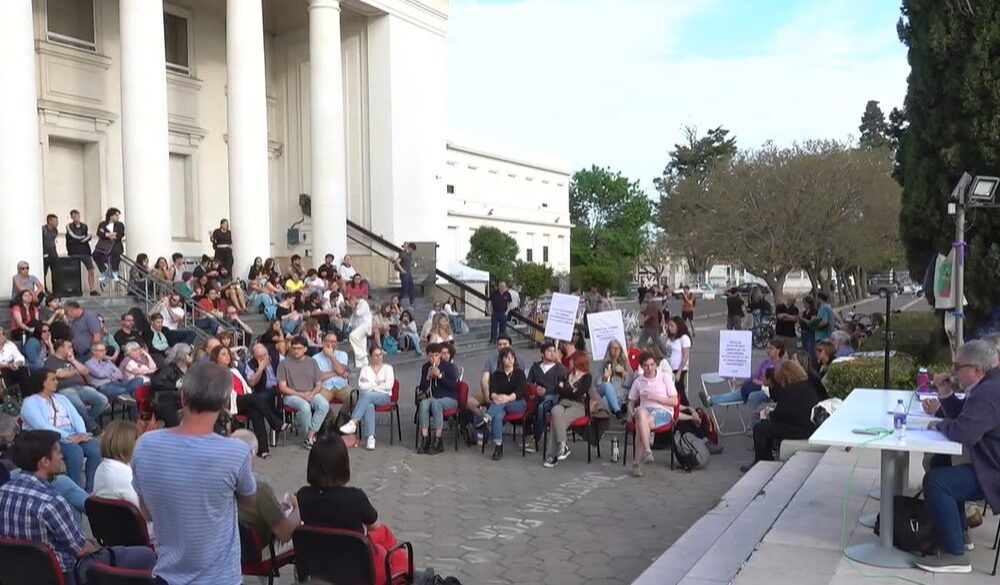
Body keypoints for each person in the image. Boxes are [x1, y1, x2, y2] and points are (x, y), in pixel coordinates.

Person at [133, 361, 256, 585]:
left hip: (166, 576)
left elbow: (148, 512)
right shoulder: (236, 451)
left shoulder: (144, 445)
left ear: (183, 398)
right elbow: (249, 504)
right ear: (224, 402)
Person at [0, 430, 156, 584]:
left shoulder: (3, 492)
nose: (61, 457)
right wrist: (97, 548)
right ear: (44, 462)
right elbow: (82, 550)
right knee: (146, 554)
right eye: (58, 453)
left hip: (16, 573)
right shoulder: (52, 502)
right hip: (65, 574)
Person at [912, 341, 1000, 573]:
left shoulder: (989, 392)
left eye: (958, 366)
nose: (953, 371)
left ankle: (955, 554)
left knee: (936, 482)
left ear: (976, 370)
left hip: (994, 471)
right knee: (940, 462)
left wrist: (940, 425)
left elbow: (964, 432)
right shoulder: (989, 385)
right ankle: (959, 532)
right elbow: (965, 416)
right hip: (990, 462)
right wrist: (946, 393)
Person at [297, 434, 409, 584]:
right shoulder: (355, 497)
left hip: (319, 565)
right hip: (357, 568)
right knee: (384, 538)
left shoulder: (302, 496)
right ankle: (402, 566)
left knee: (380, 538)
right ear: (343, 465)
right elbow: (374, 526)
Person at [20, 369, 103, 492]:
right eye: (53, 379)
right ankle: (76, 490)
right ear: (42, 382)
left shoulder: (61, 398)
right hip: (48, 437)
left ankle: (90, 489)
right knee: (76, 452)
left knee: (95, 448)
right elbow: (42, 425)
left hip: (73, 432)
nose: (57, 382)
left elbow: (76, 417)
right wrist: (68, 437)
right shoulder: (30, 403)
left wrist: (81, 433)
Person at [741, 360, 820, 472]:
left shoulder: (789, 390)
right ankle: (766, 458)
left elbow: (781, 414)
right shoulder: (807, 386)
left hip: (799, 429)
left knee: (760, 429)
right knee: (767, 427)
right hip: (808, 426)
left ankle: (761, 460)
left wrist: (767, 414)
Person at [232, 430, 300, 553]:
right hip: (253, 554)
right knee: (302, 535)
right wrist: (297, 508)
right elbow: (285, 534)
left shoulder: (215, 485)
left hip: (222, 552)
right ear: (251, 455)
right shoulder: (259, 489)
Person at [211, 346, 286, 459]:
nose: (227, 356)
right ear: (216, 358)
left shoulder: (234, 370)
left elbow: (245, 386)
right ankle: (276, 423)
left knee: (256, 412)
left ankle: (263, 450)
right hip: (228, 402)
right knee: (255, 398)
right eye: (223, 354)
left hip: (242, 400)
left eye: (227, 353)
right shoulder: (215, 372)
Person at [627, 351, 679, 477]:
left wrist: (655, 397)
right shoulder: (639, 381)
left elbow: (674, 401)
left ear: (656, 364)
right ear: (641, 366)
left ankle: (637, 463)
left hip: (663, 411)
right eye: (646, 365)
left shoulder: (664, 378)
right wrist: (630, 412)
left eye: (652, 365)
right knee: (639, 413)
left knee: (640, 424)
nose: (649, 368)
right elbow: (631, 401)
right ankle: (647, 450)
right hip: (644, 412)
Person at [703, 339, 787, 411]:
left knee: (753, 396)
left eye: (771, 348)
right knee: (738, 393)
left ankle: (755, 420)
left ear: (778, 350)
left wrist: (762, 383)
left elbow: (779, 383)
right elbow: (754, 375)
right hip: (755, 387)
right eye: (767, 348)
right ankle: (711, 400)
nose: (768, 350)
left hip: (768, 391)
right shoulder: (765, 362)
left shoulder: (781, 365)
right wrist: (741, 383)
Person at [45, 339, 110, 434]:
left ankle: (84, 423)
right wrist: (75, 371)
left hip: (82, 387)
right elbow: (60, 374)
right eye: (69, 347)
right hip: (64, 390)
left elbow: (85, 371)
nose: (72, 349)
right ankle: (93, 427)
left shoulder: (71, 359)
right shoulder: (51, 361)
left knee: (103, 400)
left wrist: (73, 360)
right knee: (80, 406)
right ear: (60, 349)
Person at [277, 336, 329, 450]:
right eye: (294, 348)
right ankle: (310, 437)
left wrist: (312, 393)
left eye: (299, 348)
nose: (296, 351)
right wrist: (302, 395)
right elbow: (282, 387)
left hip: (311, 392)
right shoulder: (284, 364)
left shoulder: (312, 362)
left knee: (324, 404)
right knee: (305, 407)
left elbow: (319, 384)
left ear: (305, 349)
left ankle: (310, 435)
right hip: (291, 395)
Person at [542, 352, 593, 468]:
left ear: (577, 362)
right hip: (562, 403)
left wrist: (565, 388)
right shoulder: (566, 375)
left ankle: (552, 456)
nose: (569, 362)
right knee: (555, 410)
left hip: (577, 406)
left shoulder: (587, 377)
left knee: (556, 421)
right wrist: (568, 390)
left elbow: (578, 394)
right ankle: (562, 446)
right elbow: (557, 389)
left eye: (571, 360)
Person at [339, 346, 395, 450]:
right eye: (376, 355)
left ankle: (353, 422)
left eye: (380, 355)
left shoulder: (388, 368)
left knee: (367, 396)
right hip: (369, 398)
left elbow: (389, 386)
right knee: (368, 405)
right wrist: (379, 384)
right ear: (371, 357)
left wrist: (371, 385)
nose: (378, 357)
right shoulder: (365, 369)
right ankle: (370, 438)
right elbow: (362, 386)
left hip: (384, 398)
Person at [482, 347, 527, 460]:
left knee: (500, 405)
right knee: (498, 416)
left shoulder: (519, 373)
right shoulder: (496, 375)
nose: (510, 360)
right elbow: (493, 390)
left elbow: (520, 391)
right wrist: (495, 396)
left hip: (518, 403)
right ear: (502, 360)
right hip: (500, 405)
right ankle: (498, 446)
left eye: (512, 358)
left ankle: (488, 416)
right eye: (507, 358)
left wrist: (506, 398)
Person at [416, 343, 459, 455]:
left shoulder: (449, 367)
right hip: (432, 397)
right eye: (431, 356)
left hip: (449, 398)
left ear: (440, 355)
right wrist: (427, 377)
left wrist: (440, 376)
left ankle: (438, 440)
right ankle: (425, 439)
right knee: (424, 404)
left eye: (436, 355)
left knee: (436, 404)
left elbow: (454, 386)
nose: (433, 358)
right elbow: (422, 387)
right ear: (427, 356)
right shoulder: (426, 367)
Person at [526, 341, 568, 452]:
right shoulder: (535, 367)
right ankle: (528, 433)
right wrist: (536, 389)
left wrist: (546, 390)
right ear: (542, 354)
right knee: (528, 405)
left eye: (554, 351)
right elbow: (528, 382)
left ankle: (536, 439)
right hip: (536, 396)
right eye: (549, 351)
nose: (552, 353)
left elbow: (562, 387)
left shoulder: (560, 369)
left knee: (542, 407)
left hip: (553, 397)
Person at [92, 420, 142, 509]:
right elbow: (144, 510)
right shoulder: (125, 475)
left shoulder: (102, 467)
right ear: (127, 443)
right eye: (137, 441)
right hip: (131, 521)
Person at [85, 343, 141, 415]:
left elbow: (119, 374)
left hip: (118, 384)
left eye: (105, 350)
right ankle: (133, 416)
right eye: (101, 350)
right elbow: (100, 374)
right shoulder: (89, 363)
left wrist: (110, 375)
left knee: (139, 379)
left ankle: (126, 395)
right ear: (94, 352)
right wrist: (112, 373)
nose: (104, 352)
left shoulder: (108, 361)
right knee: (131, 394)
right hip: (104, 387)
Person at [149, 343, 195, 428]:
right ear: (181, 355)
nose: (192, 356)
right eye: (189, 354)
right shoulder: (168, 369)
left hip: (182, 400)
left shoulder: (191, 370)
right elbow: (156, 382)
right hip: (165, 401)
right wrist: (175, 385)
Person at [65, 209, 98, 296]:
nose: (76, 218)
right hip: (73, 252)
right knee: (73, 271)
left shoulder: (84, 226)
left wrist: (82, 239)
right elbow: (73, 237)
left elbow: (89, 236)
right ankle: (73, 289)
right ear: (71, 217)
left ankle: (92, 289)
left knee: (91, 270)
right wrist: (82, 239)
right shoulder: (69, 226)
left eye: (78, 216)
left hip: (85, 251)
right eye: (74, 216)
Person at [314, 331, 351, 405]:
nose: (334, 344)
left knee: (354, 398)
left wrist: (331, 356)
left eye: (335, 341)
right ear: (323, 343)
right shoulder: (315, 358)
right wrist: (338, 372)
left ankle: (342, 415)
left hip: (342, 386)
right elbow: (320, 377)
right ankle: (329, 415)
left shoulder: (342, 354)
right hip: (325, 387)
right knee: (318, 403)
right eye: (331, 341)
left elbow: (343, 373)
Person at [597, 340, 629, 418]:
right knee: (607, 385)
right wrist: (603, 377)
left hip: (619, 398)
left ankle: (613, 411)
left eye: (617, 348)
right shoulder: (603, 363)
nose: (615, 350)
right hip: (604, 388)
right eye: (613, 348)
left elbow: (630, 383)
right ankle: (617, 411)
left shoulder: (625, 363)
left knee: (604, 399)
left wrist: (624, 373)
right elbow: (596, 383)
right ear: (609, 349)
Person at [665, 316, 692, 405]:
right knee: (671, 392)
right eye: (669, 325)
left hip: (679, 369)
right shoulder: (670, 338)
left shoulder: (684, 338)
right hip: (669, 368)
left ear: (678, 326)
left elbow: (685, 357)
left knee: (679, 391)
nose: (669, 328)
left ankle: (689, 411)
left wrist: (679, 372)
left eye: (672, 326)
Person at [94, 207, 125, 283]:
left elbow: (120, 234)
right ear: (111, 216)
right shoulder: (102, 224)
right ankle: (104, 270)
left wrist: (110, 235)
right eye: (116, 215)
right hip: (104, 245)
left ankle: (115, 271)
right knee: (95, 254)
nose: (118, 217)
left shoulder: (120, 225)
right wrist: (108, 235)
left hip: (116, 244)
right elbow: (100, 233)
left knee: (116, 253)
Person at [0, 326, 31, 392]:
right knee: (4, 373)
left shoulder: (9, 344)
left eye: (3, 334)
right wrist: (8, 366)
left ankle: (26, 393)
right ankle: (10, 396)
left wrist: (17, 363)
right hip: (3, 371)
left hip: (11, 368)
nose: (2, 336)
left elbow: (19, 357)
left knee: (23, 369)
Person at [348, 295, 373, 368]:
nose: (350, 303)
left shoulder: (363, 303)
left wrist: (354, 307)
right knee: (361, 343)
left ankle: (362, 354)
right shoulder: (356, 306)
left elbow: (358, 313)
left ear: (354, 299)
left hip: (365, 325)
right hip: (358, 327)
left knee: (353, 336)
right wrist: (350, 326)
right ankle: (362, 363)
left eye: (350, 301)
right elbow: (353, 317)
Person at [394, 242, 417, 306]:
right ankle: (397, 299)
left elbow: (408, 263)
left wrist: (413, 264)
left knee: (411, 288)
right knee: (404, 289)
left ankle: (412, 302)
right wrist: (402, 270)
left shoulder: (410, 255)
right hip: (404, 274)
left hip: (409, 274)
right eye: (412, 250)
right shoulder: (402, 253)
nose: (412, 251)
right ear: (410, 248)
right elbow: (397, 262)